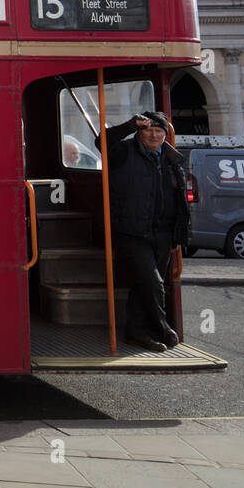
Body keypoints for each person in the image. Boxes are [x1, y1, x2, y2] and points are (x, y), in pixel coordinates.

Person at [96, 111, 190, 352]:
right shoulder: (124, 151)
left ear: (166, 134)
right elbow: (101, 142)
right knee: (153, 282)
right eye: (148, 129)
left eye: (159, 130)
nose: (154, 134)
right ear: (139, 131)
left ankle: (136, 333)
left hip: (163, 232)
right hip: (132, 231)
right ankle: (162, 327)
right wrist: (129, 124)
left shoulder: (172, 158)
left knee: (143, 283)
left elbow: (179, 198)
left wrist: (179, 231)